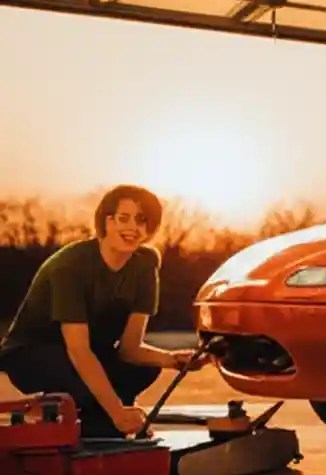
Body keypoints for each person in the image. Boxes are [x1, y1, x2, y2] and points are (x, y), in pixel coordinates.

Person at [0, 185, 207, 437]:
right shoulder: (69, 266)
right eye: (123, 218)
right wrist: (117, 411)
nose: (133, 228)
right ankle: (64, 416)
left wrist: (175, 360)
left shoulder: (145, 266)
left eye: (142, 221)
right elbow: (78, 350)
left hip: (90, 354)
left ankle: (99, 421)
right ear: (106, 221)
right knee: (83, 385)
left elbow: (130, 349)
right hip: (32, 355)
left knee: (146, 367)